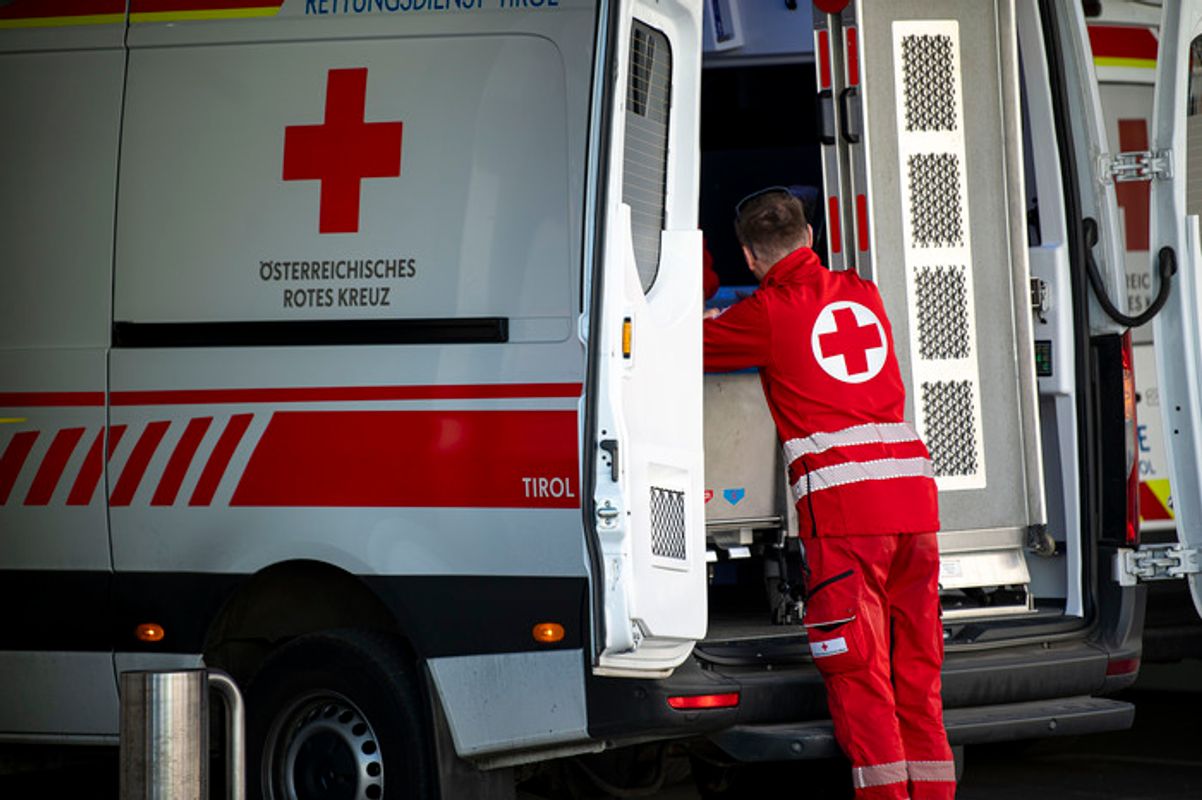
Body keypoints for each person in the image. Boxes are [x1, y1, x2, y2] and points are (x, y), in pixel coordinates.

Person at [703, 188, 955, 800]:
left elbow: (673, 342)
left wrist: (702, 273)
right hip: (914, 507)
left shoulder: (766, 314)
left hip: (849, 519)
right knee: (917, 670)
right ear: (810, 237)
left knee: (859, 669)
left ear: (750, 256)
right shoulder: (863, 293)